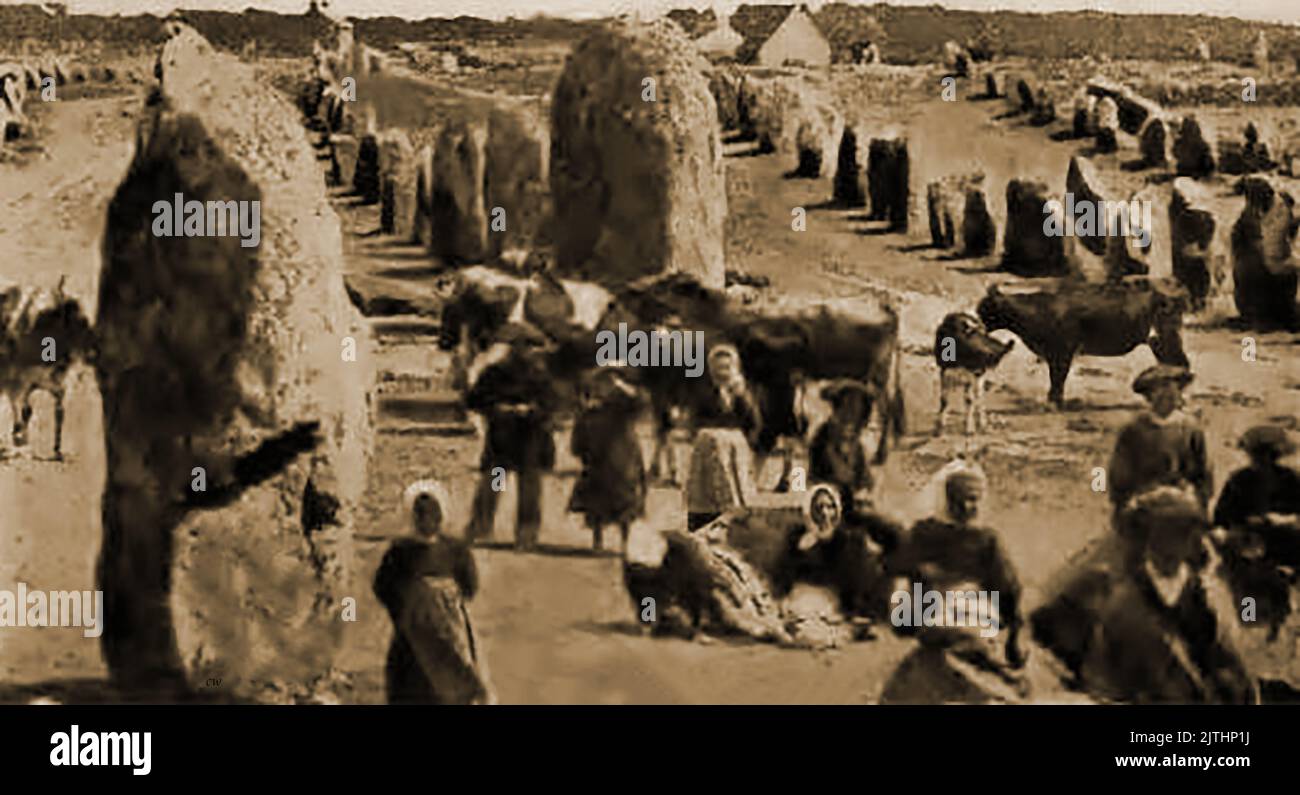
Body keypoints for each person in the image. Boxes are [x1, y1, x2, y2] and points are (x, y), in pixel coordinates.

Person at [1033, 487, 1256, 704]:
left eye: (1186, 529)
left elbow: (1232, 668)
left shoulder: (1207, 596)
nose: (1182, 539)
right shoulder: (1114, 592)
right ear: (1147, 536)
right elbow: (1050, 631)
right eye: (1170, 529)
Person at [889, 461, 1025, 668]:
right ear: (949, 499)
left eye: (975, 499)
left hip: (967, 613)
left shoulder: (986, 539)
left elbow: (1008, 587)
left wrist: (1013, 632)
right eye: (965, 499)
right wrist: (924, 573)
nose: (971, 506)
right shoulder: (924, 533)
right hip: (932, 614)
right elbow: (898, 567)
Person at [373, 480, 495, 705]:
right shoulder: (452, 550)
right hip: (441, 632)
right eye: (424, 515)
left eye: (431, 514)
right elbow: (469, 587)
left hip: (414, 633)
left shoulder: (400, 552)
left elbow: (383, 588)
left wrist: (409, 608)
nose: (428, 520)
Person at [463, 340, 559, 551]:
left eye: (530, 349)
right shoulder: (494, 374)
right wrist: (498, 409)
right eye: (523, 348)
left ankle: (526, 534)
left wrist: (531, 410)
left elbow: (552, 405)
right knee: (495, 483)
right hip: (502, 442)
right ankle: (482, 526)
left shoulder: (540, 376)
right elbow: (474, 400)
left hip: (530, 441)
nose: (527, 353)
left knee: (528, 491)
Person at [1212, 425, 1300, 642]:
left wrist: (1284, 520)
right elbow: (1220, 518)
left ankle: (1278, 627)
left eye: (1266, 455)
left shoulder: (1291, 480)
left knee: (1279, 587)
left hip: (1285, 545)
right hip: (1247, 545)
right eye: (1256, 455)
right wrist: (1224, 534)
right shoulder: (1239, 480)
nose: (1260, 461)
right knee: (1247, 587)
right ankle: (1250, 625)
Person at [1108, 364, 1213, 527]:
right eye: (1162, 389)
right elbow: (1119, 476)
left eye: (1174, 388)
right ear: (1150, 396)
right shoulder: (1133, 430)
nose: (1170, 394)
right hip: (1143, 499)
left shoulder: (1190, 428)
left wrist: (1198, 498)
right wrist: (1131, 500)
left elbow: (1202, 471)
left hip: (1181, 498)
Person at [568, 366, 647, 553]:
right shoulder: (590, 411)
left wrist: (621, 385)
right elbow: (578, 439)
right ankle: (598, 542)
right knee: (596, 505)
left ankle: (626, 542)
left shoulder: (624, 408)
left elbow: (641, 401)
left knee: (626, 503)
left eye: (610, 382)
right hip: (597, 462)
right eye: (603, 383)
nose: (606, 387)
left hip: (624, 461)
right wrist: (583, 453)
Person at [685, 344, 764, 531]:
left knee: (735, 502)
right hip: (708, 452)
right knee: (705, 502)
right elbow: (694, 421)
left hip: (735, 454)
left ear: (734, 368)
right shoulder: (703, 392)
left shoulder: (743, 394)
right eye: (718, 368)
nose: (722, 373)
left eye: (727, 368)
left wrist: (741, 397)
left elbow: (754, 423)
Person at [809, 380, 875, 515]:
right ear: (836, 410)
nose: (851, 418)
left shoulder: (857, 446)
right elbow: (801, 478)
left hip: (852, 509)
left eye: (857, 412)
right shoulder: (821, 439)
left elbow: (865, 482)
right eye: (846, 410)